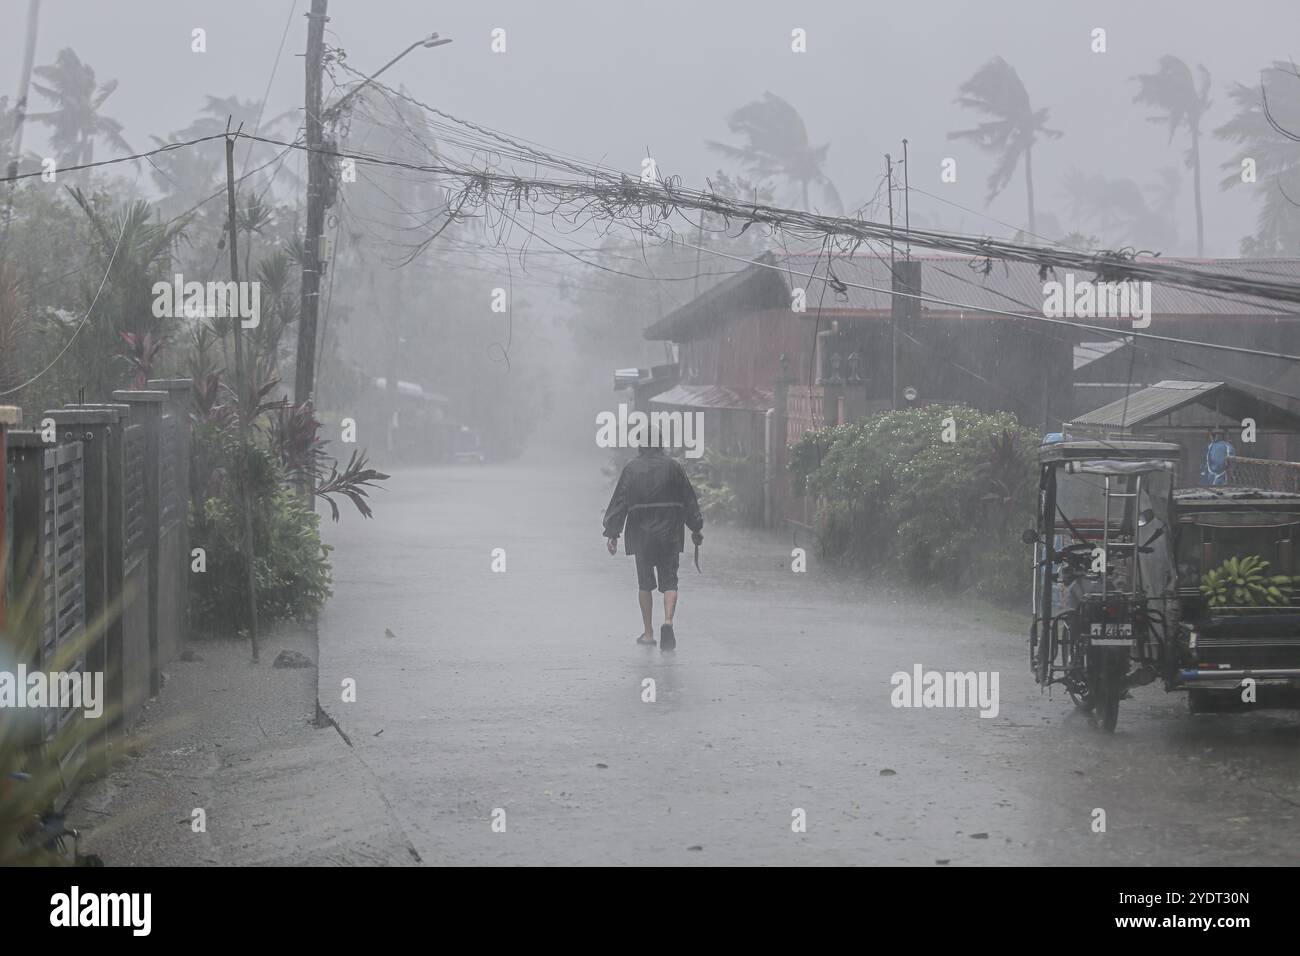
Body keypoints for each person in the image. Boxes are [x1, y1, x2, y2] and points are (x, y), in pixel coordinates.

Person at [602, 433, 704, 651]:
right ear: (661, 444)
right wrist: (696, 526)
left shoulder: (631, 469)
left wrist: (612, 533)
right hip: (670, 534)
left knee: (645, 583)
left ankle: (648, 634)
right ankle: (668, 622)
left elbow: (620, 501)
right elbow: (688, 499)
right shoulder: (674, 468)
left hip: (641, 536)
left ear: (641, 445)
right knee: (671, 581)